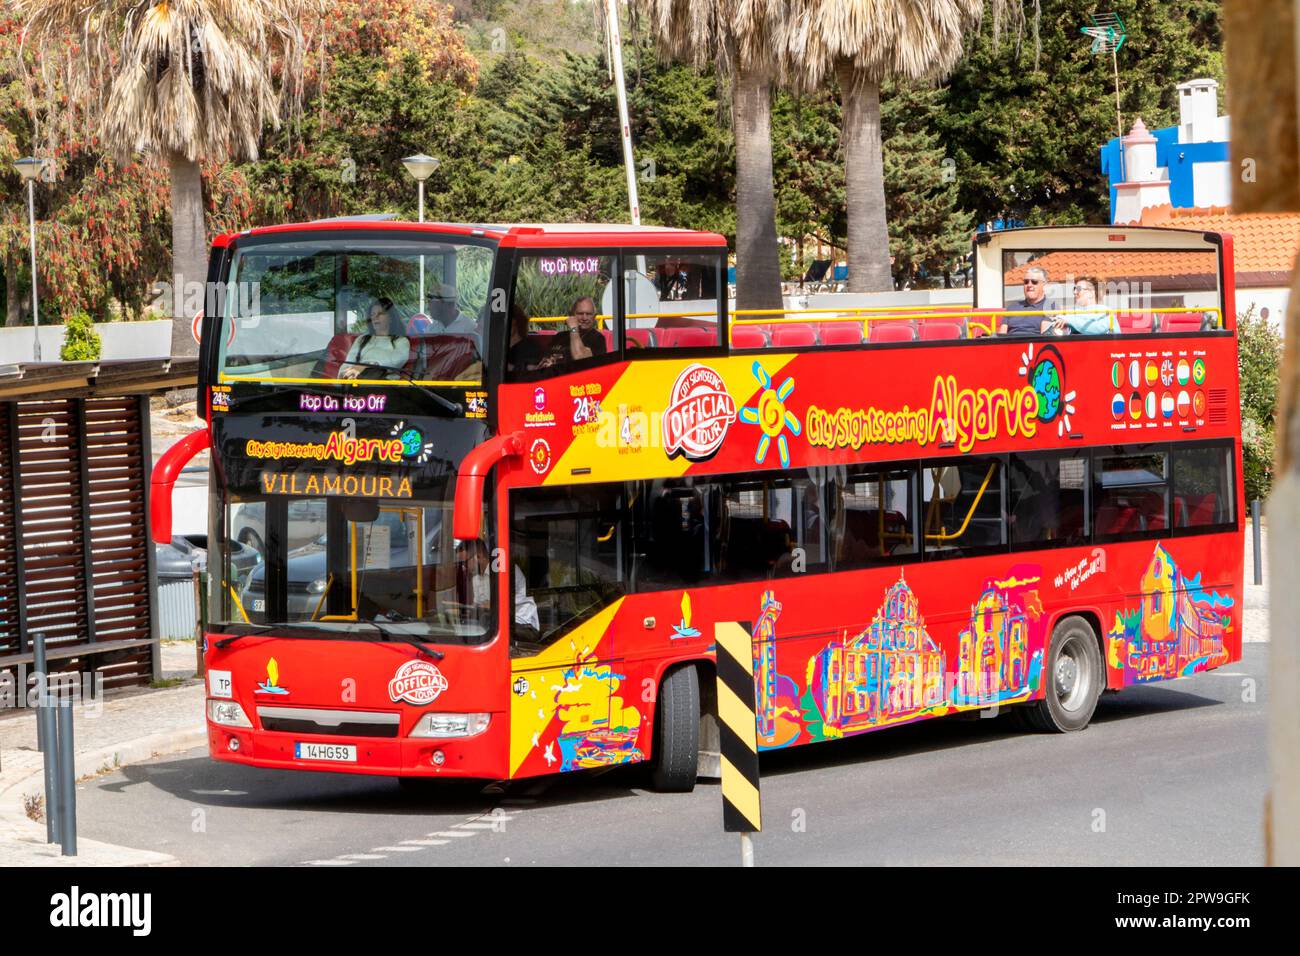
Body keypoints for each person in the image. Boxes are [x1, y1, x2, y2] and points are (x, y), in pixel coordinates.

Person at [456, 539, 539, 632]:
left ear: (479, 556)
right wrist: (461, 608)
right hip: (495, 623)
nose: (463, 567)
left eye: (464, 563)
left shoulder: (503, 569)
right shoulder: (476, 578)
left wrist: (486, 606)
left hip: (521, 622)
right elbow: (479, 605)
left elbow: (501, 605)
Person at [339, 297, 410, 379]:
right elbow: (348, 364)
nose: (375, 317)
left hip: (384, 388)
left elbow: (396, 361)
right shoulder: (362, 339)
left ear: (391, 318)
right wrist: (344, 377)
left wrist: (366, 366)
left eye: (380, 314)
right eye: (372, 314)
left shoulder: (401, 341)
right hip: (355, 386)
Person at [535, 296, 607, 370]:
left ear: (594, 317)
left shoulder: (597, 339)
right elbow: (543, 359)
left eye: (588, 314)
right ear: (572, 315)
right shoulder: (560, 336)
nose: (584, 318)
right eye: (580, 313)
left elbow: (579, 357)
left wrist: (574, 329)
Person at [1050, 276, 1116, 335]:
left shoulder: (1106, 311)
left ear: (1091, 293)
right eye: (1074, 289)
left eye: (1078, 289)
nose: (1075, 292)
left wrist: (1069, 321)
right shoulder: (1073, 313)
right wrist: (1059, 322)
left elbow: (1098, 329)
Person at [999, 265, 1053, 335]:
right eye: (1026, 282)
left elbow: (1044, 338)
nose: (1029, 285)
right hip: (1010, 343)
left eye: (1034, 282)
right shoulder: (1012, 308)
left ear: (1044, 285)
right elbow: (1001, 336)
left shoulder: (1051, 307)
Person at [506, 303, 546, 372]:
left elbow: (534, 372)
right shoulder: (498, 348)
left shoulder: (531, 349)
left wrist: (511, 368)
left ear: (514, 322)